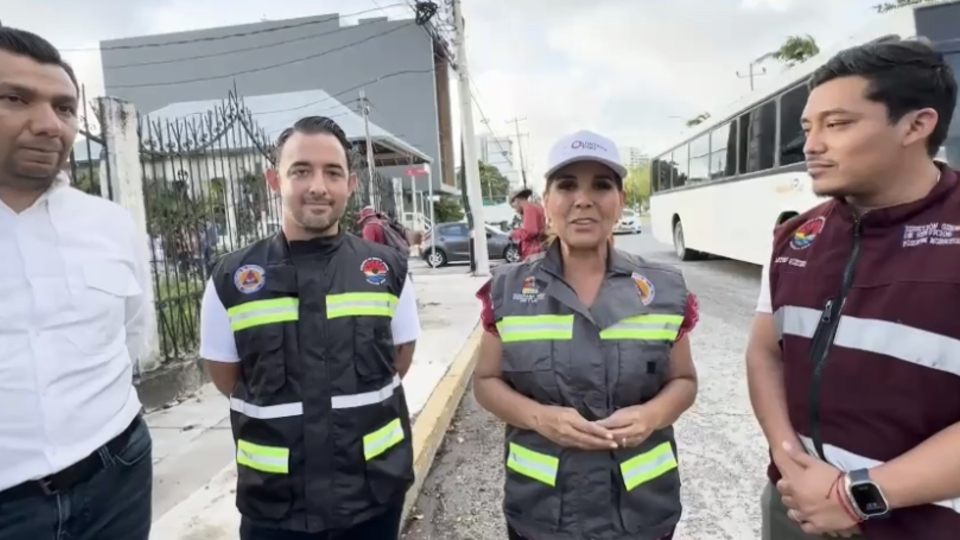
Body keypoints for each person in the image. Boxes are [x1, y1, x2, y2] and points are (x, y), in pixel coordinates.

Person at [746, 39, 960, 540]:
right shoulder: (795, 236)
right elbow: (764, 354)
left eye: (836, 124)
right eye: (807, 127)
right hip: (797, 509)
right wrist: (788, 459)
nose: (811, 145)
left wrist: (858, 494)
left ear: (916, 125)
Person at [199, 116, 421, 540]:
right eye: (301, 170)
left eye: (332, 172)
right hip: (275, 505)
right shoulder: (232, 278)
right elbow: (227, 379)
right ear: (274, 179)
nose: (318, 185)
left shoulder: (387, 269)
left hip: (371, 498)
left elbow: (399, 361)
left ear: (350, 184)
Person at [473, 130, 700, 540]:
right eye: (567, 185)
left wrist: (651, 416)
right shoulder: (507, 290)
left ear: (621, 201)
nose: (583, 199)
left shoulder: (663, 289)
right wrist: (539, 417)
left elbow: (683, 382)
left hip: (641, 513)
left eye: (601, 185)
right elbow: (486, 383)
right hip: (542, 513)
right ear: (546, 201)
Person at [0, 27, 152, 539]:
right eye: (14, 98)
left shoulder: (109, 223)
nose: (48, 125)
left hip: (118, 474)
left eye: (65, 108)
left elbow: (132, 334)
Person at [509, 187, 546, 260]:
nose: (515, 210)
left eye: (513, 207)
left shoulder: (528, 208)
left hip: (533, 253)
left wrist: (514, 233)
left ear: (516, 200)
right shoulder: (537, 207)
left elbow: (531, 231)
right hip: (540, 251)